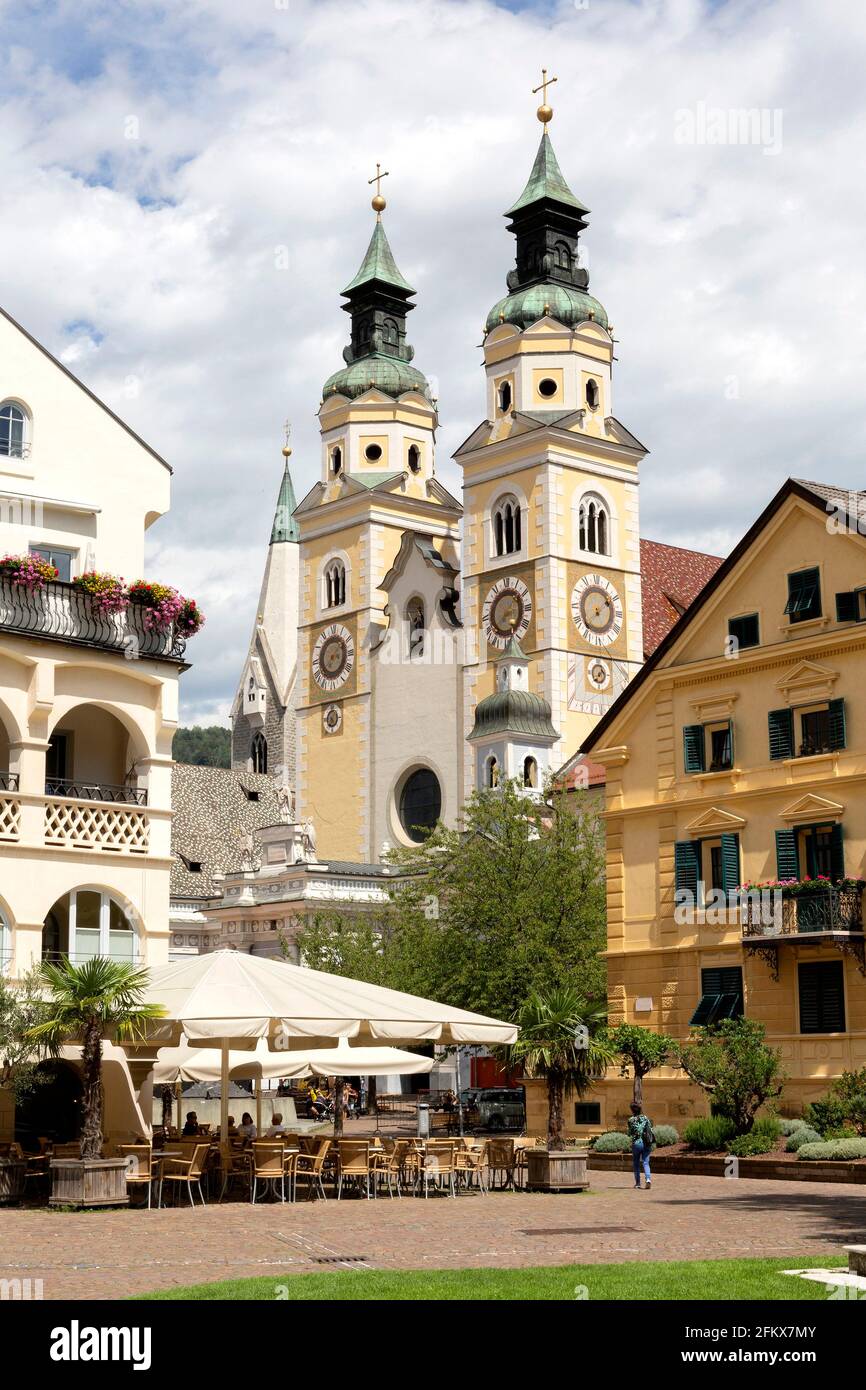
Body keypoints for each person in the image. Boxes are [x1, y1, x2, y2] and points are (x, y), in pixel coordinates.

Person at [628, 1101, 654, 1190]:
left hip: (637, 1143)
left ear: (632, 1110)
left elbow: (630, 1133)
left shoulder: (631, 1120)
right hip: (646, 1143)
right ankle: (648, 1179)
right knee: (646, 1162)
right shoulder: (645, 1118)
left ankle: (638, 1183)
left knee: (636, 1164)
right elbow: (651, 1129)